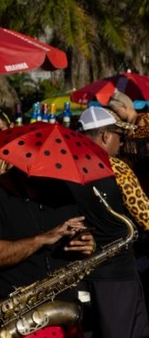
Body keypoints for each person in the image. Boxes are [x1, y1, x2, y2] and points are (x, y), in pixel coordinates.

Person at [0, 167, 96, 338]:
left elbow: (77, 239)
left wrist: (86, 244)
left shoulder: (64, 193)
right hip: (15, 317)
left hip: (63, 312)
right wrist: (41, 239)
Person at [69, 106, 149, 338]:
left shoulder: (65, 167)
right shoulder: (117, 168)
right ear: (105, 136)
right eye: (120, 137)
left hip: (79, 272)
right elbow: (146, 216)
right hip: (117, 276)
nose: (122, 144)